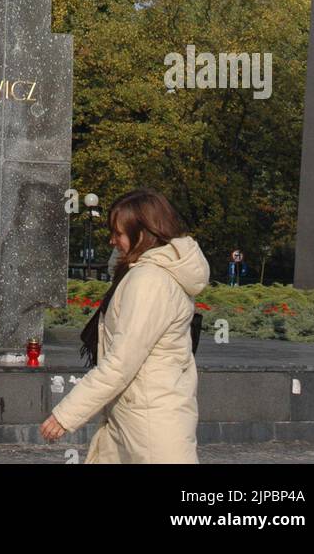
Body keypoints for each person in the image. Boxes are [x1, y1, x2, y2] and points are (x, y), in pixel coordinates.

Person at [41, 188, 210, 464]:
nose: (112, 240)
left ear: (142, 233)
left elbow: (121, 362)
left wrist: (66, 415)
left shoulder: (150, 281)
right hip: (136, 418)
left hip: (149, 428)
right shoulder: (149, 274)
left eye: (118, 233)